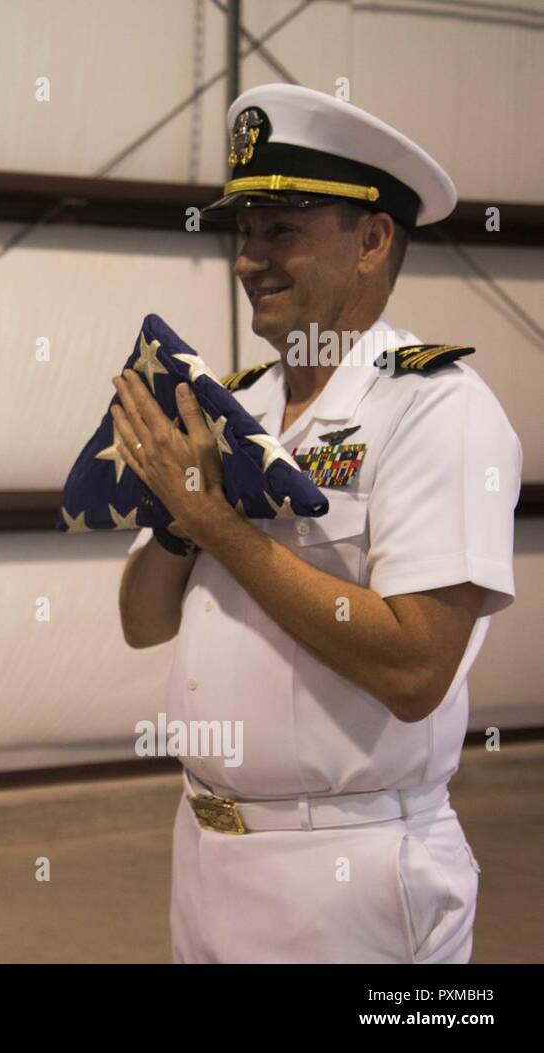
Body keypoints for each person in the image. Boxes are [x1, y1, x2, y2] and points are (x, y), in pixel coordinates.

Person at [115, 84, 520, 963]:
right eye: (245, 233)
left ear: (372, 239)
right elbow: (142, 623)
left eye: (282, 231)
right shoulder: (237, 409)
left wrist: (218, 524)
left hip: (353, 877)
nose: (248, 259)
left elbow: (415, 666)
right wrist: (184, 521)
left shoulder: (435, 410)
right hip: (208, 854)